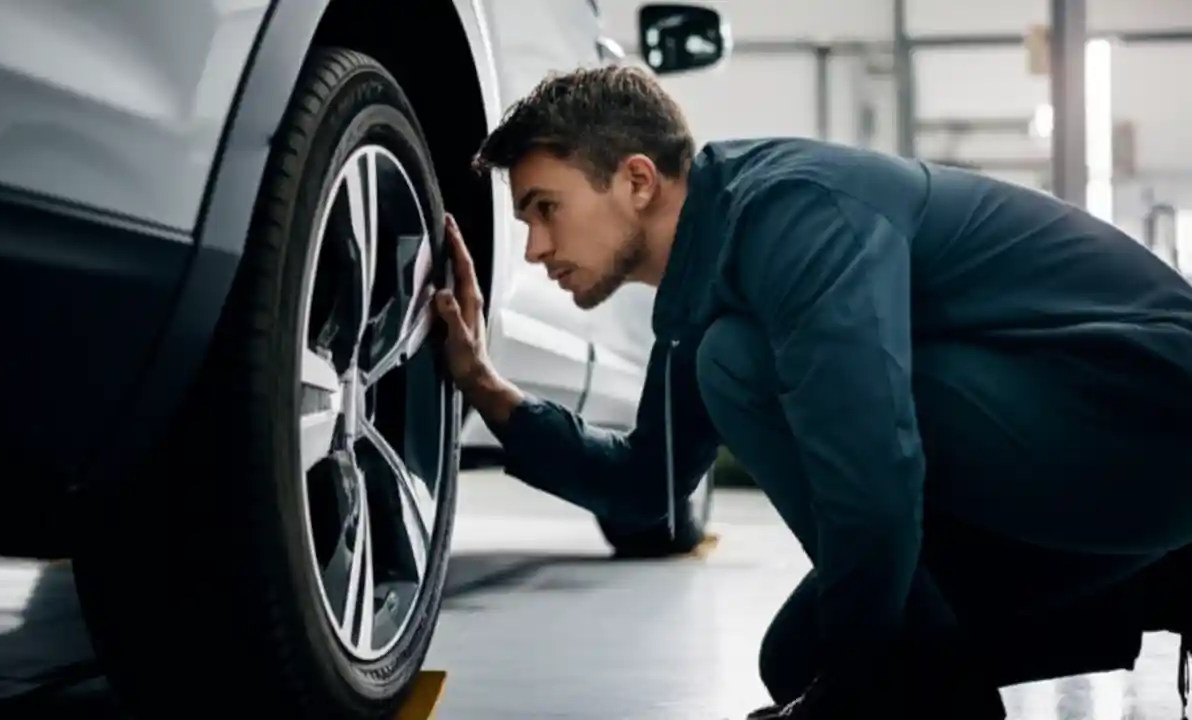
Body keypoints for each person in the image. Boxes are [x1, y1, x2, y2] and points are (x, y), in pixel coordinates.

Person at [431, 64, 1192, 719]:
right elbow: (644, 489)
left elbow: (873, 470)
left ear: (636, 180)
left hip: (1148, 423)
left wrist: (857, 691)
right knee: (797, 657)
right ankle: (1155, 586)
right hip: (1083, 463)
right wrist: (485, 386)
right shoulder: (705, 286)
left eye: (544, 208)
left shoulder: (792, 211)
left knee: (739, 368)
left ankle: (924, 694)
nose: (533, 249)